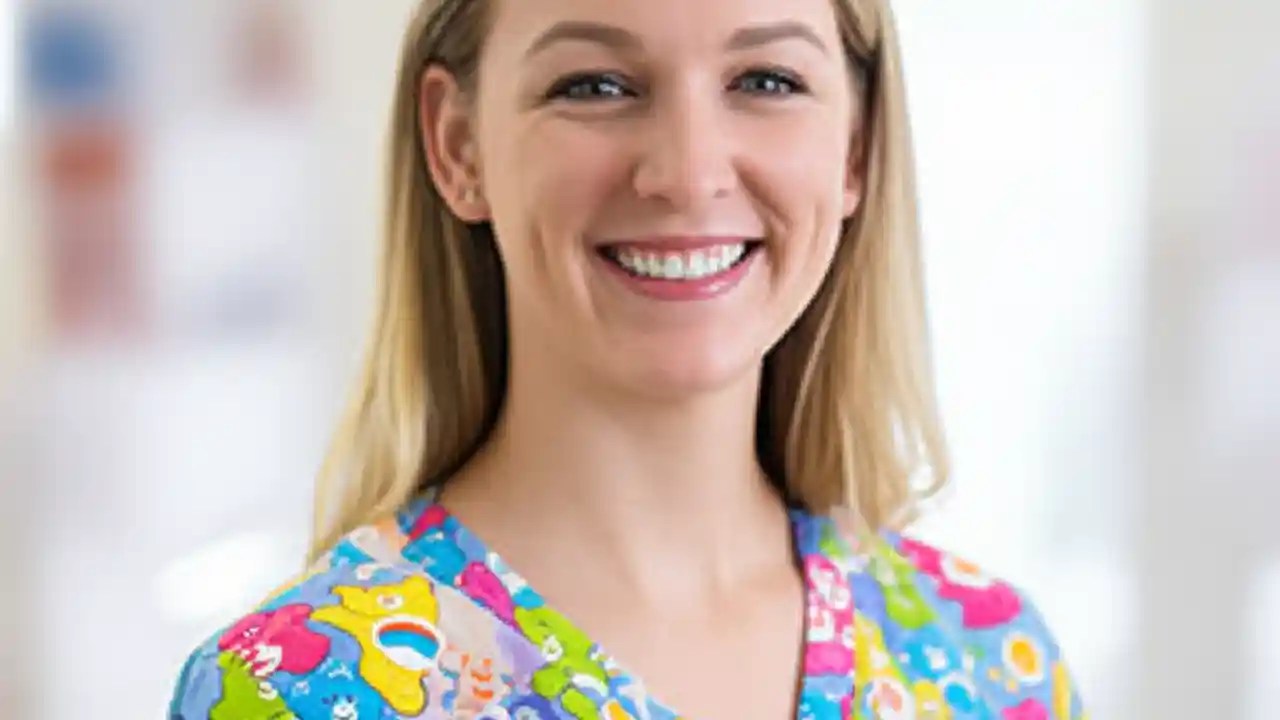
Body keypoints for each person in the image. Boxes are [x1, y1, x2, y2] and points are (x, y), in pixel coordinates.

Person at [169, 0, 1087, 717]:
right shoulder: (303, 692)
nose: (688, 173)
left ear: (855, 146)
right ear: (459, 146)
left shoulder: (992, 664)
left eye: (766, 80)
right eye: (596, 86)